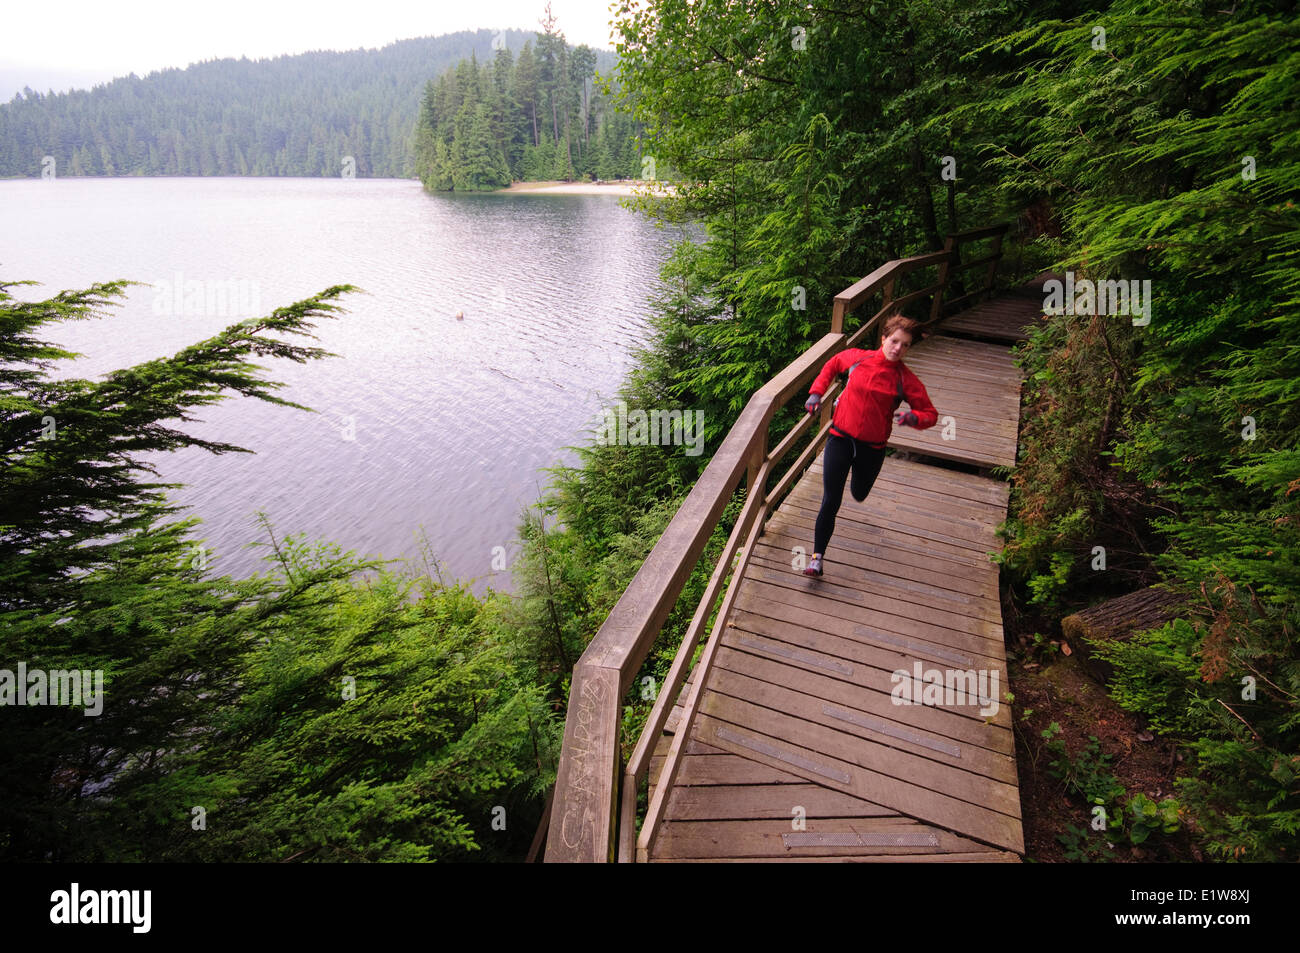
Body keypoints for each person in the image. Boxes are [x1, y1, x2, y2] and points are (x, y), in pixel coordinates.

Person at [801, 312, 938, 577]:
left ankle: (860, 485)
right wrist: (816, 393)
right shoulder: (858, 358)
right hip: (840, 438)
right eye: (895, 341)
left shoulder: (905, 379)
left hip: (872, 449)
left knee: (860, 493)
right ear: (884, 338)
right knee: (831, 499)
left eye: (905, 345)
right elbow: (832, 363)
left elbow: (931, 413)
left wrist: (914, 418)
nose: (898, 348)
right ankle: (816, 558)